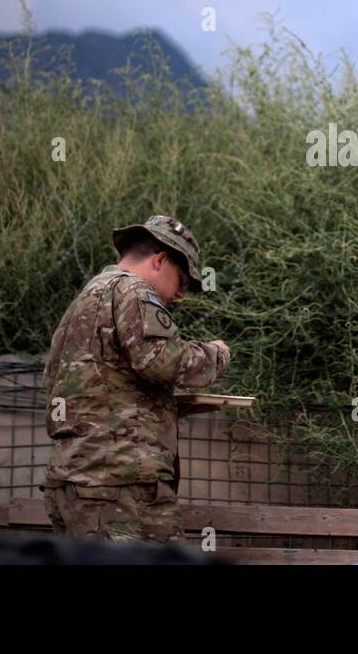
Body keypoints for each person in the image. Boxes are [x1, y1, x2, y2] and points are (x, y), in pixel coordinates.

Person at [41, 215, 230, 542]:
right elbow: (160, 361)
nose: (181, 295)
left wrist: (164, 408)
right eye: (182, 282)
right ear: (160, 260)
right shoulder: (134, 290)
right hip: (120, 488)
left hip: (77, 483)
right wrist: (216, 354)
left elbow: (91, 388)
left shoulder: (86, 299)